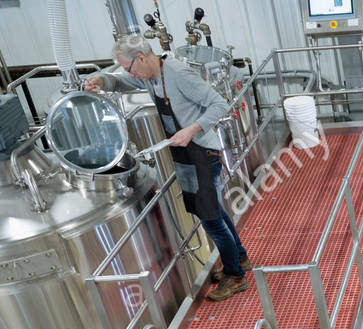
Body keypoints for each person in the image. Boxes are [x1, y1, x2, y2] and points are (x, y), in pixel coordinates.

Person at [86, 35, 250, 302]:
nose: (131, 74)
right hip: (184, 154)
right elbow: (121, 81)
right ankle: (239, 259)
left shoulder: (178, 74)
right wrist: (102, 81)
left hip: (201, 153)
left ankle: (235, 277)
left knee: (211, 219)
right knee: (214, 211)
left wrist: (192, 129)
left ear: (140, 58)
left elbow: (220, 104)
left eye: (129, 68)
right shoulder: (149, 76)